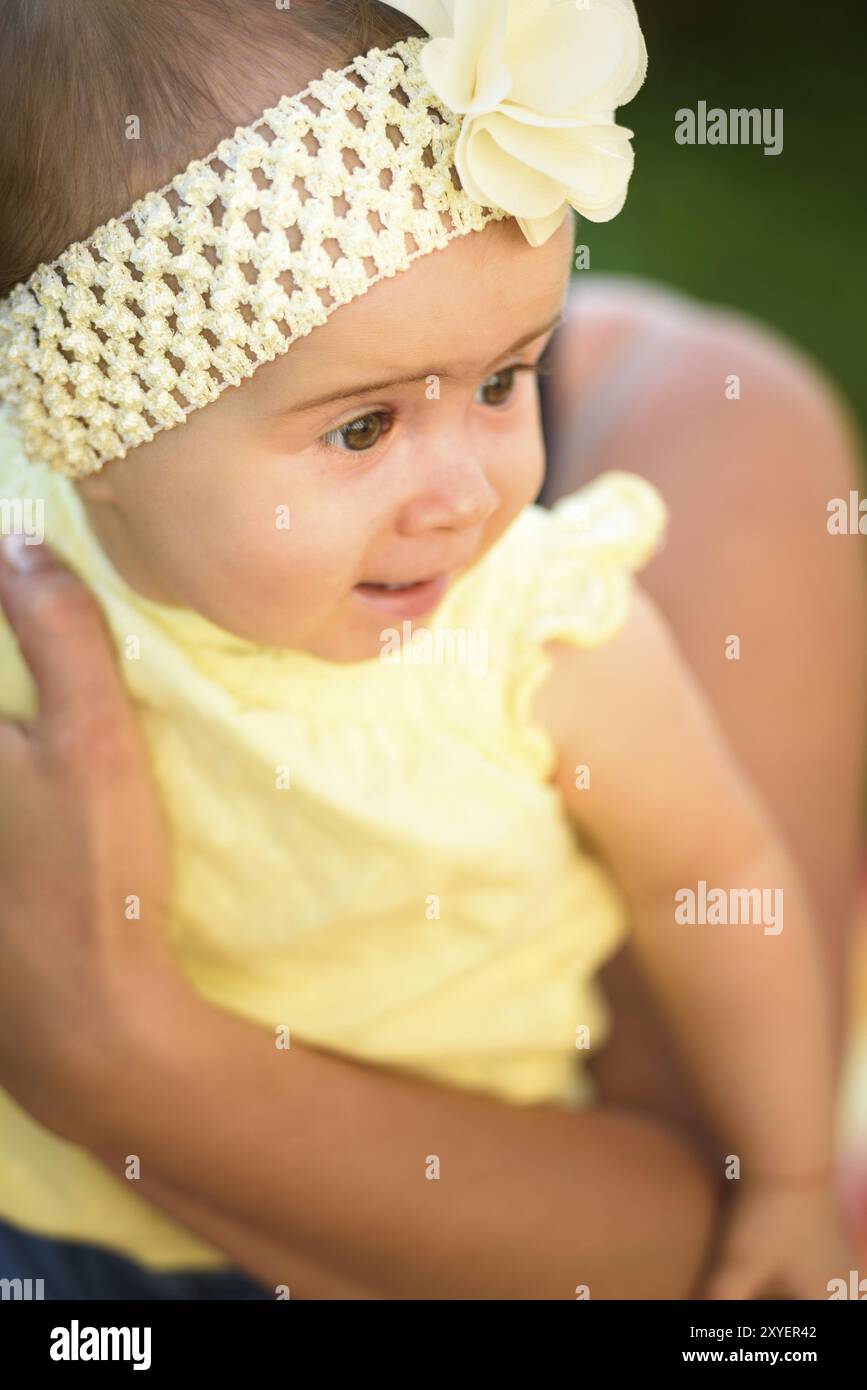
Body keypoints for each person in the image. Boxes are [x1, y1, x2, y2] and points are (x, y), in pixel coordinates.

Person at [0, 0, 862, 1300]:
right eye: (363, 430)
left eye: (507, 380)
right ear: (93, 437)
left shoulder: (543, 635)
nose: (466, 491)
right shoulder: (36, 564)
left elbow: (719, 876)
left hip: (421, 1235)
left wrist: (791, 1179)